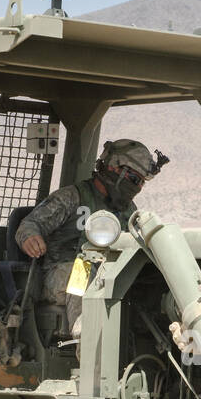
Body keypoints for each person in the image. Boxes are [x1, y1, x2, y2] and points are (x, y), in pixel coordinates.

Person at [14, 138, 168, 338]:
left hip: (110, 276)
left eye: (141, 183)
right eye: (134, 179)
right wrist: (30, 237)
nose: (137, 187)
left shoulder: (129, 212)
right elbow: (28, 225)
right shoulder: (71, 198)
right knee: (84, 272)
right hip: (61, 275)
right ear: (113, 168)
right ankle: (85, 340)